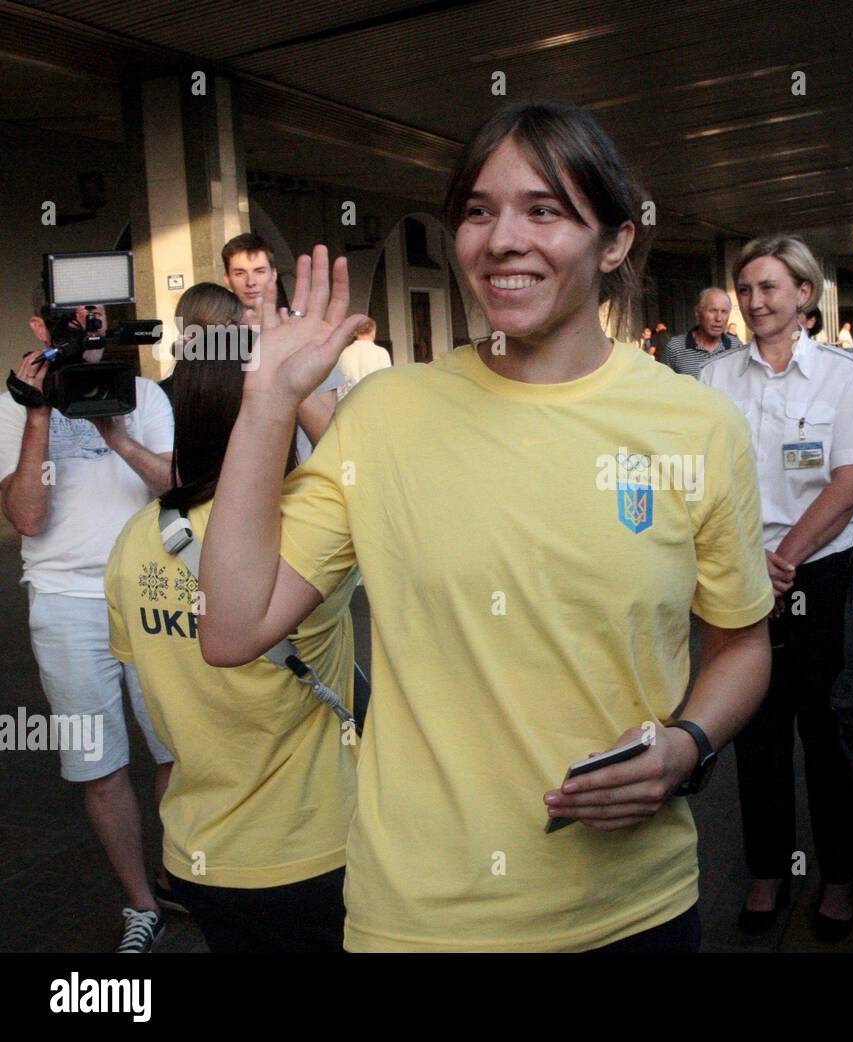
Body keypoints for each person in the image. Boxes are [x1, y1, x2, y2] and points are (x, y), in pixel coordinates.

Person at [196, 100, 774, 953]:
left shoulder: (697, 426)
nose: (503, 238)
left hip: (635, 911)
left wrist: (687, 745)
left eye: (545, 210)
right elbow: (232, 628)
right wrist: (267, 403)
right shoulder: (385, 414)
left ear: (615, 241)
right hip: (424, 920)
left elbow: (742, 643)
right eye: (478, 210)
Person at [104, 283, 358, 953]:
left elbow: (150, 694)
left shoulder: (133, 543)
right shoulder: (305, 529)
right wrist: (288, 385)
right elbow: (361, 466)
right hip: (314, 852)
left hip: (201, 854)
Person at [699, 234, 853, 943]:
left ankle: (839, 878)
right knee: (755, 734)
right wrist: (748, 561)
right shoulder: (715, 380)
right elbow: (708, 479)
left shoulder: (842, 376)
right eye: (745, 290)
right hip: (740, 573)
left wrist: (786, 559)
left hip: (823, 573)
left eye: (768, 288)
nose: (753, 301)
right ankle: (768, 871)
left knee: (829, 733)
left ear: (805, 294)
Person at [0, 292, 176, 953]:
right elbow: (25, 519)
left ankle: (178, 874)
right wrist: (40, 414)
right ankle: (140, 903)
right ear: (40, 326)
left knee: (176, 750)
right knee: (98, 765)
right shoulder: (14, 407)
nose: (84, 331)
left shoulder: (147, 397)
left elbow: (171, 485)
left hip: (149, 590)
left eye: (95, 318)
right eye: (69, 322)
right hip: (64, 600)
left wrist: (114, 431)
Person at [221, 233, 339, 460]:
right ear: (227, 279)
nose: (251, 282)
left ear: (273, 274)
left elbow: (330, 438)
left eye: (259, 271)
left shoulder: (307, 337)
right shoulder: (216, 342)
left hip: (299, 482)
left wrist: (287, 375)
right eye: (240, 273)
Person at [661, 287, 743, 377]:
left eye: (724, 312)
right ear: (697, 313)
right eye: (712, 310)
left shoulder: (736, 347)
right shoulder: (675, 348)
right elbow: (663, 386)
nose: (719, 318)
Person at [335, 317, 392, 400]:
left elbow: (338, 384)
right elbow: (386, 381)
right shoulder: (381, 352)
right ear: (373, 331)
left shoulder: (343, 353)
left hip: (349, 402)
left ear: (356, 331)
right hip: (373, 400)